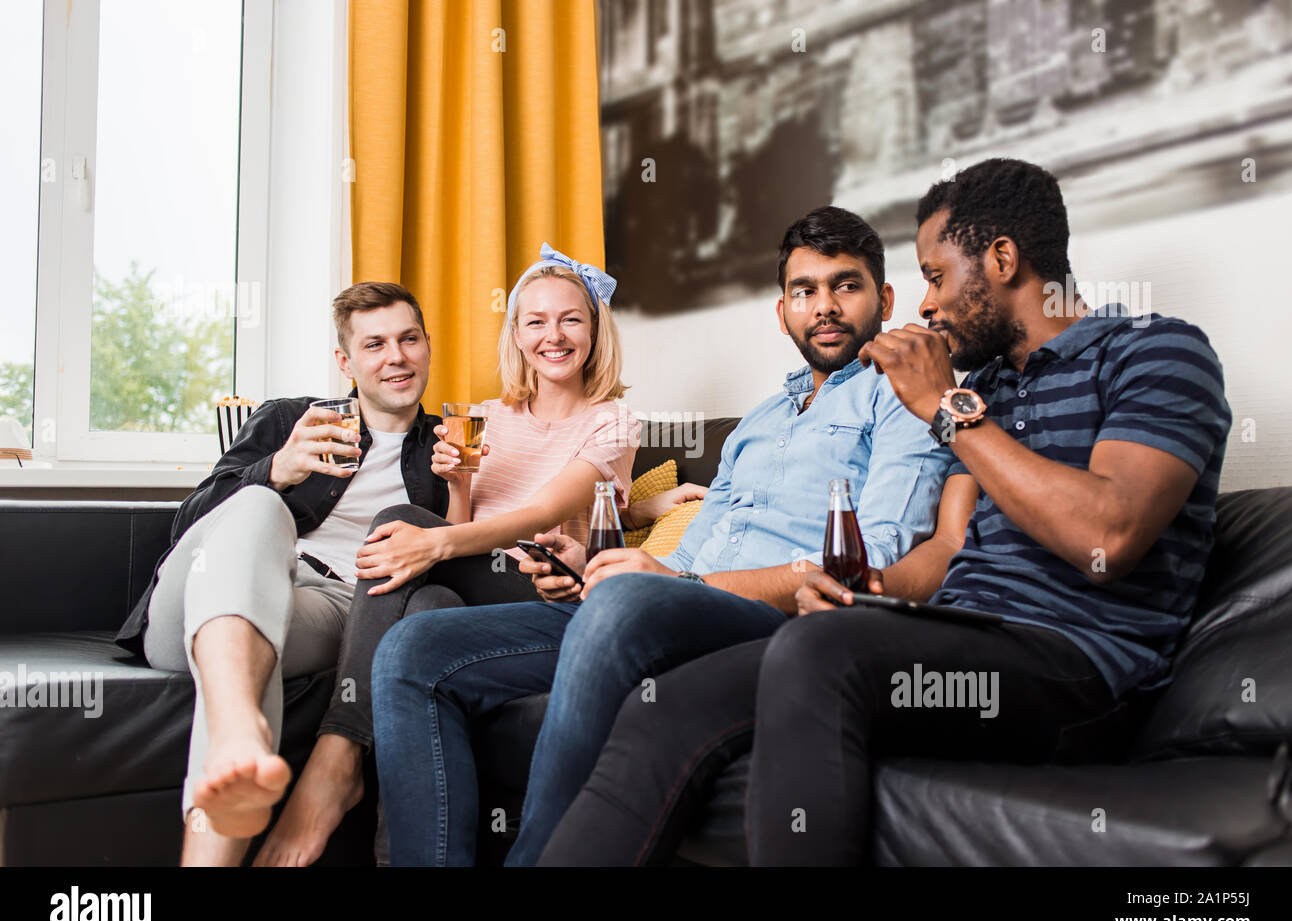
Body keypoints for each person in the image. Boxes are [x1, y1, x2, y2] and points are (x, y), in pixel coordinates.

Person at [541, 157, 1232, 867]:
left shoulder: (1157, 352)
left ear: (1001, 259)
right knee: (671, 704)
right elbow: (947, 551)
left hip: (1080, 667)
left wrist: (944, 408)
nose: (926, 308)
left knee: (816, 655)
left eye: (935, 277)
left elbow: (1108, 535)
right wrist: (856, 588)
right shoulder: (990, 387)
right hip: (958, 636)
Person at [371, 205, 954, 865]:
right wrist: (589, 571)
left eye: (845, 286)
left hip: (774, 624)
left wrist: (671, 585)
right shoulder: (759, 422)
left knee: (625, 601)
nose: (823, 306)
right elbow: (689, 550)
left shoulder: (904, 399)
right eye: (804, 291)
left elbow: (870, 561)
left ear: (886, 298)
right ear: (782, 311)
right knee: (413, 649)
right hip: (669, 609)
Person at [253, 244, 653, 865]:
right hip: (471, 591)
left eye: (572, 319)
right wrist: (460, 488)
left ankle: (339, 752)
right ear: (516, 334)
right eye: (536, 321)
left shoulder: (615, 422)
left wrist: (433, 537)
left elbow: (543, 512)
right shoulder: (484, 417)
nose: (554, 336)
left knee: (399, 524)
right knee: (425, 606)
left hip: (541, 585)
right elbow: (463, 530)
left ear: (595, 330)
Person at [114, 281, 448, 866]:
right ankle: (241, 726)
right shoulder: (291, 419)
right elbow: (190, 525)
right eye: (375, 344)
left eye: (408, 339)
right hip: (196, 602)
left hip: (333, 609)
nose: (395, 356)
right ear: (345, 361)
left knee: (252, 654)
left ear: (427, 347)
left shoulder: (448, 449)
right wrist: (277, 469)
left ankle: (236, 756)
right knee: (261, 506)